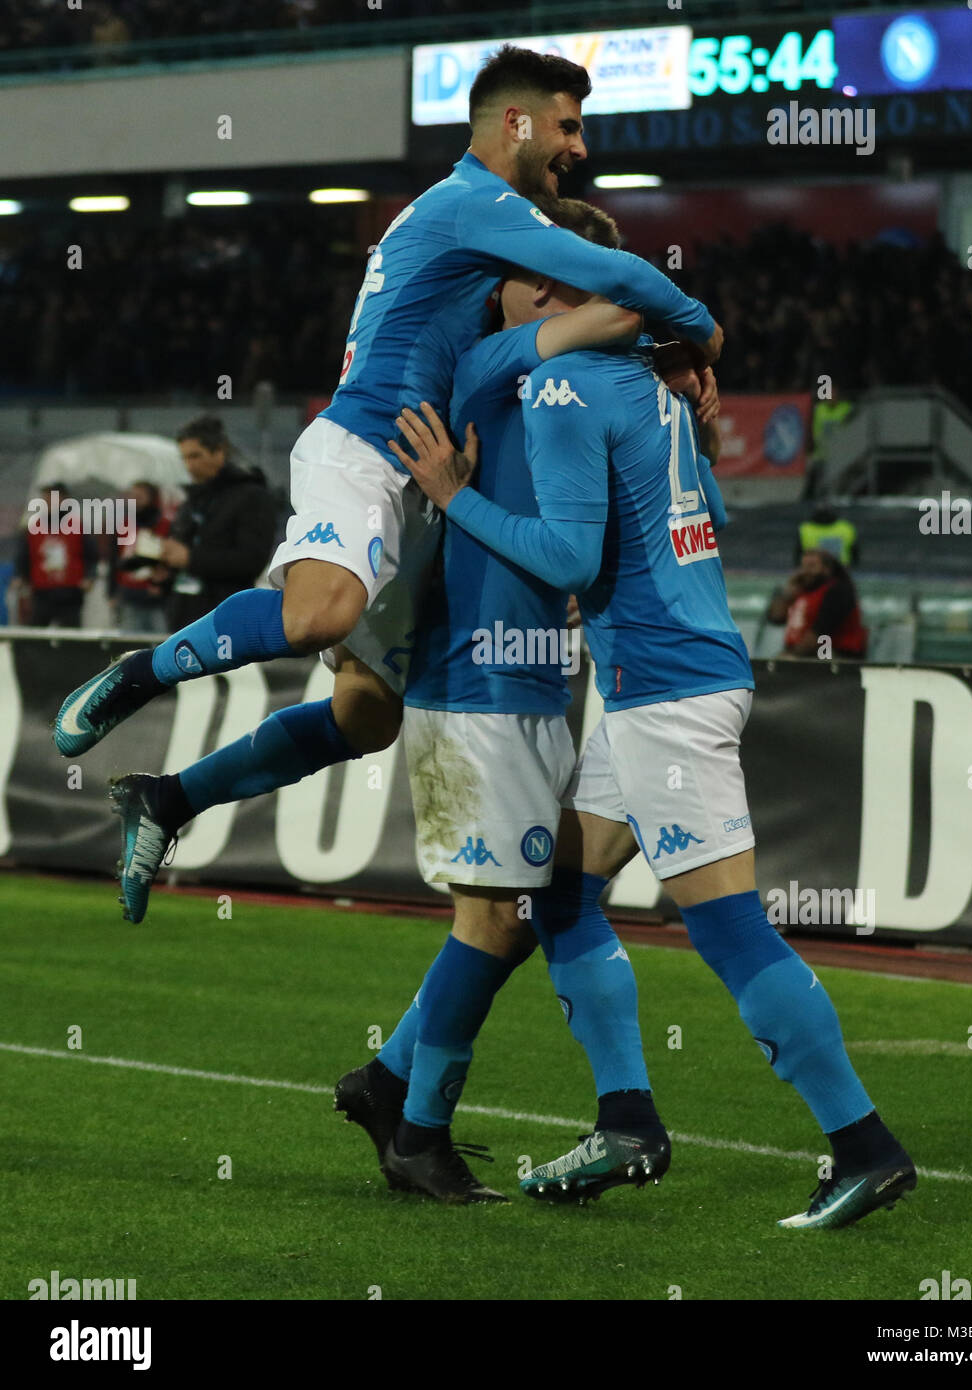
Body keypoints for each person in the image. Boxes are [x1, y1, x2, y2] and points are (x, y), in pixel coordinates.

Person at [52, 44, 722, 925]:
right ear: (514, 122)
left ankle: (169, 800)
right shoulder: (472, 204)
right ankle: (139, 674)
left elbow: (575, 324)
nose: (580, 146)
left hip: (421, 487)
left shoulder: (481, 243)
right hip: (369, 444)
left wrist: (653, 365)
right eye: (568, 124)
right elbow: (620, 285)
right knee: (319, 615)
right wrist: (701, 337)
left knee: (365, 715)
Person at [391, 281, 915, 1231]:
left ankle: (865, 1148)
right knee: (559, 893)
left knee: (728, 930)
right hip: (666, 684)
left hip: (667, 698)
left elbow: (565, 560)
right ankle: (628, 1122)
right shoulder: (653, 392)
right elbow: (701, 506)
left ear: (568, 296)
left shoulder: (566, 387)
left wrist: (453, 497)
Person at [336, 201, 711, 1204]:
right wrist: (676, 335)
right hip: (486, 676)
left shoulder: (561, 375)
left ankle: (403, 1090)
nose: (549, 294)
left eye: (565, 279)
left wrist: (671, 353)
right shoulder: (485, 365)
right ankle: (425, 1116)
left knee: (533, 905)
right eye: (535, 274)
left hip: (588, 675)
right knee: (507, 910)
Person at [162, 416, 278, 628]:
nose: (189, 465)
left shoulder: (252, 496)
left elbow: (251, 560)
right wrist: (164, 570)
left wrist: (190, 559)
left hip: (226, 617)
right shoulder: (193, 498)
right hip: (184, 615)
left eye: (196, 456)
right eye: (185, 458)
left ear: (219, 451)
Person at [14, 483, 98, 628]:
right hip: (41, 591)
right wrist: (21, 576)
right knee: (36, 632)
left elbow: (91, 555)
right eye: (45, 499)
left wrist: (89, 577)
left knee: (70, 634)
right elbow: (24, 556)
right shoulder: (33, 527)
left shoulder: (78, 526)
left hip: (70, 592)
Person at [767, 549, 868, 659]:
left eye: (812, 566)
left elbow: (819, 633)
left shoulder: (837, 591)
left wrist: (792, 656)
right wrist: (786, 595)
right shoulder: (801, 590)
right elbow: (775, 618)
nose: (805, 571)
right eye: (803, 566)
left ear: (826, 569)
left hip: (833, 654)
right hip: (803, 653)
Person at [109, 480, 171, 635]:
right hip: (129, 593)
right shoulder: (123, 525)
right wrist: (111, 591)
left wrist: (162, 583)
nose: (135, 499)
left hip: (156, 596)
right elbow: (114, 559)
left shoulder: (165, 525)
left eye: (140, 496)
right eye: (132, 495)